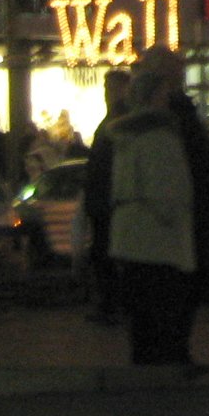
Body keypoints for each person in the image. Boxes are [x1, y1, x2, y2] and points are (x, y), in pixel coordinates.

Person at [109, 55, 204, 373]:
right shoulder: (159, 137)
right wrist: (178, 220)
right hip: (158, 237)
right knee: (167, 303)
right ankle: (169, 362)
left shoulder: (124, 136)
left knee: (143, 311)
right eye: (164, 93)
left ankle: (148, 364)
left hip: (131, 235)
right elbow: (165, 190)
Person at [82, 70, 132, 325]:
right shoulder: (116, 120)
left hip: (108, 200)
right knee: (106, 253)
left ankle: (111, 304)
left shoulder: (118, 121)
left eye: (110, 88)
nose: (106, 93)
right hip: (105, 200)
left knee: (107, 254)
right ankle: (111, 303)